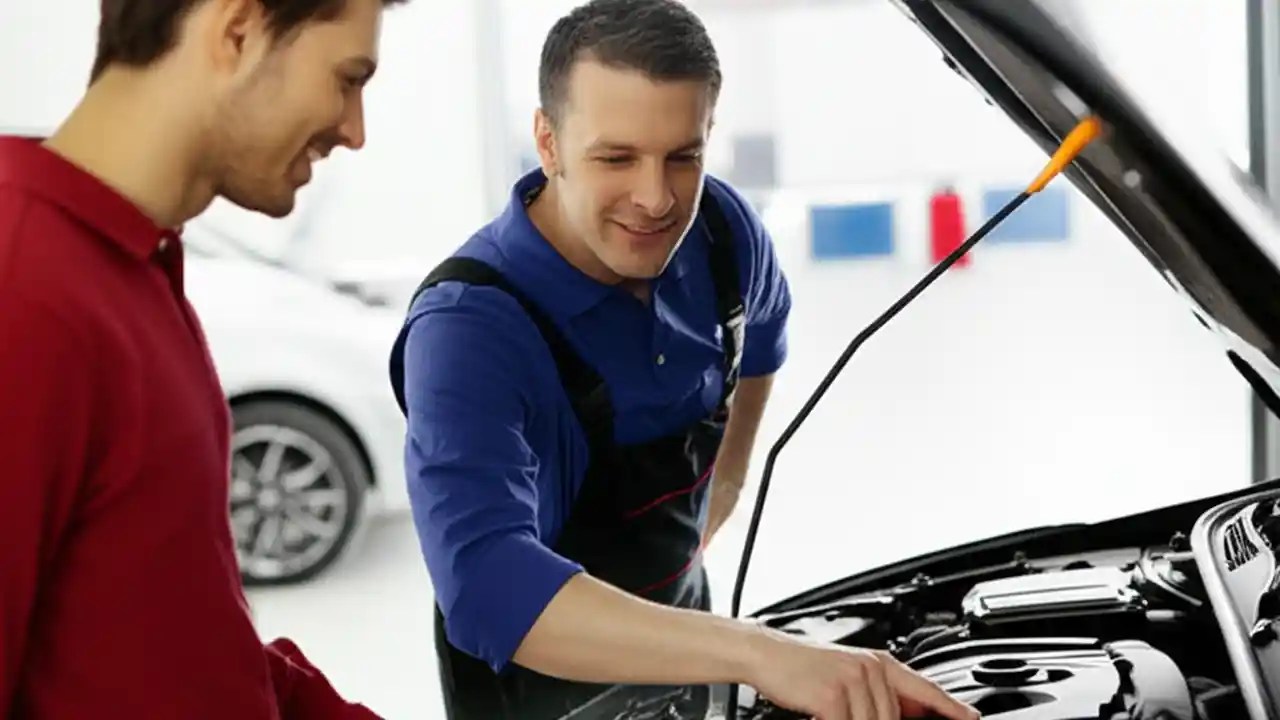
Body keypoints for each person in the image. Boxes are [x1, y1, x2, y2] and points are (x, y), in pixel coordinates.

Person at [388, 1, 981, 719]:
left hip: (688, 662)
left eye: (683, 156)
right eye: (616, 158)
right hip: (542, 698)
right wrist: (756, 652)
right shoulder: (469, 328)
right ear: (547, 142)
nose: (656, 198)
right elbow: (485, 588)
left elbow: (764, 336)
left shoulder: (723, 235)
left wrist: (728, 480)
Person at [0, 0, 408, 717]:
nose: (354, 130)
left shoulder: (134, 269)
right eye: (347, 78)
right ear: (239, 30)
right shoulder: (23, 290)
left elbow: (175, 644)